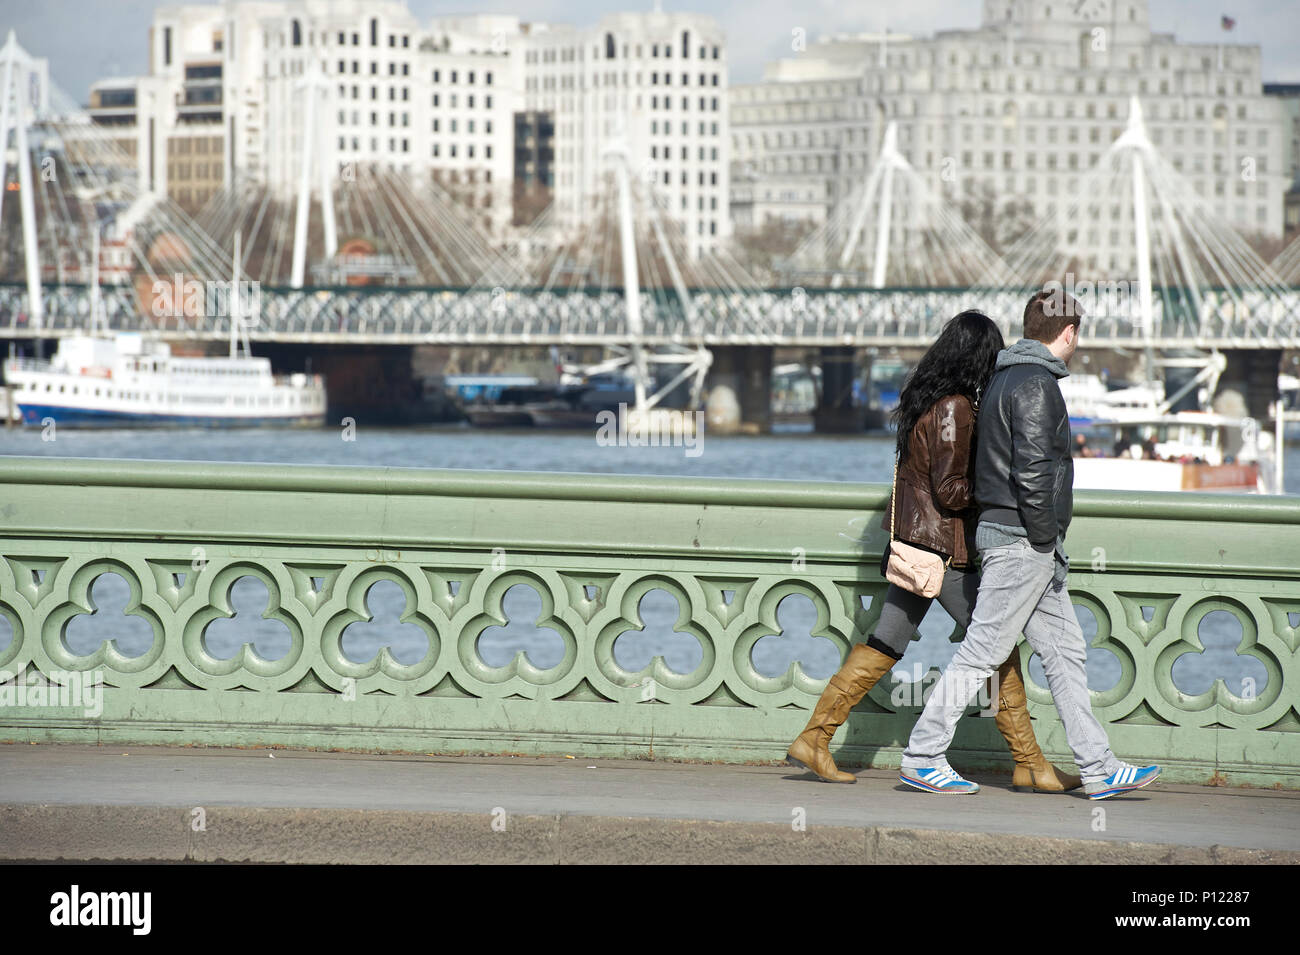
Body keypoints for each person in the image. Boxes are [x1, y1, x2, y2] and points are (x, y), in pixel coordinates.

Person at [786, 310, 1081, 793]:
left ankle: (814, 739)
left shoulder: (925, 399)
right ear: (979, 356)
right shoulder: (955, 407)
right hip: (943, 553)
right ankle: (1030, 763)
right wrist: (994, 490)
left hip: (914, 548)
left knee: (884, 645)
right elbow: (949, 489)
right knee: (994, 648)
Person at [897, 289, 1160, 800]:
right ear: (1070, 333)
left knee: (1065, 655)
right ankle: (923, 755)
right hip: (1023, 542)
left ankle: (1099, 766)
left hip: (1017, 539)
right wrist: (1045, 540)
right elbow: (1035, 473)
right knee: (981, 651)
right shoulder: (1038, 385)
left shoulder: (1003, 378)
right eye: (1078, 334)